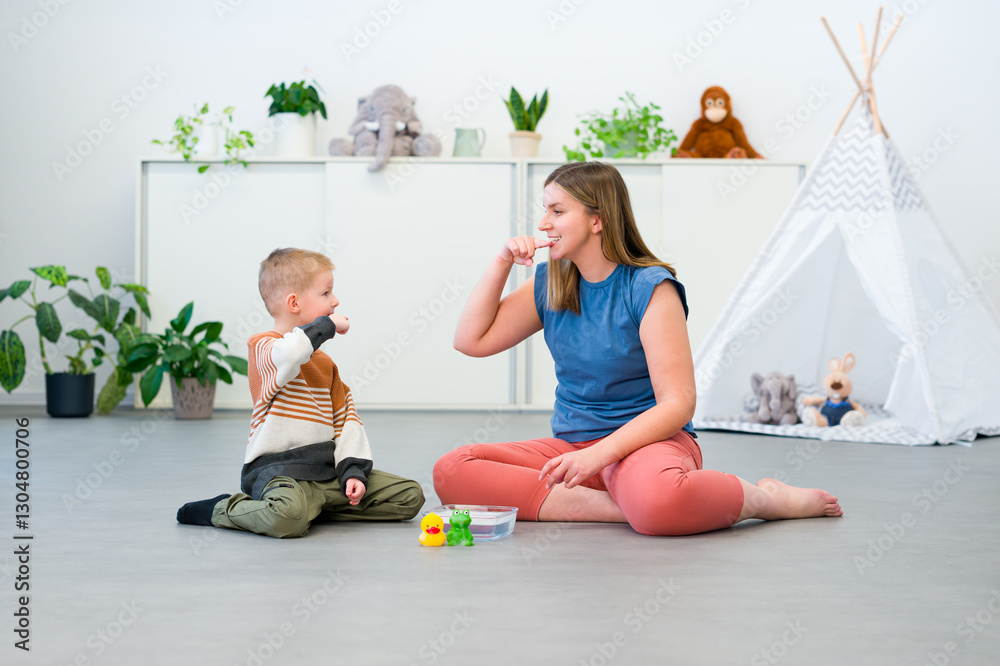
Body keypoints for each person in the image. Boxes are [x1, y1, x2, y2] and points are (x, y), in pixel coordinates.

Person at [433, 162, 841, 536]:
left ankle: (767, 498)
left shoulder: (649, 287)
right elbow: (471, 341)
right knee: (453, 471)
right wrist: (502, 261)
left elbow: (678, 404)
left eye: (557, 211)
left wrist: (601, 457)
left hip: (649, 445)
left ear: (598, 220)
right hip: (576, 450)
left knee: (660, 500)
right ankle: (628, 507)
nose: (543, 223)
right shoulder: (551, 282)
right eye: (545, 211)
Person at [176, 248, 424, 538]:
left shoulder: (325, 364)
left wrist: (352, 472)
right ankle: (223, 509)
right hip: (280, 473)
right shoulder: (264, 349)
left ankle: (314, 507)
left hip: (325, 474)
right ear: (293, 302)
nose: (335, 301)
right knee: (287, 520)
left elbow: (347, 421)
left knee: (409, 496)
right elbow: (290, 355)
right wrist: (327, 326)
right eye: (326, 293)